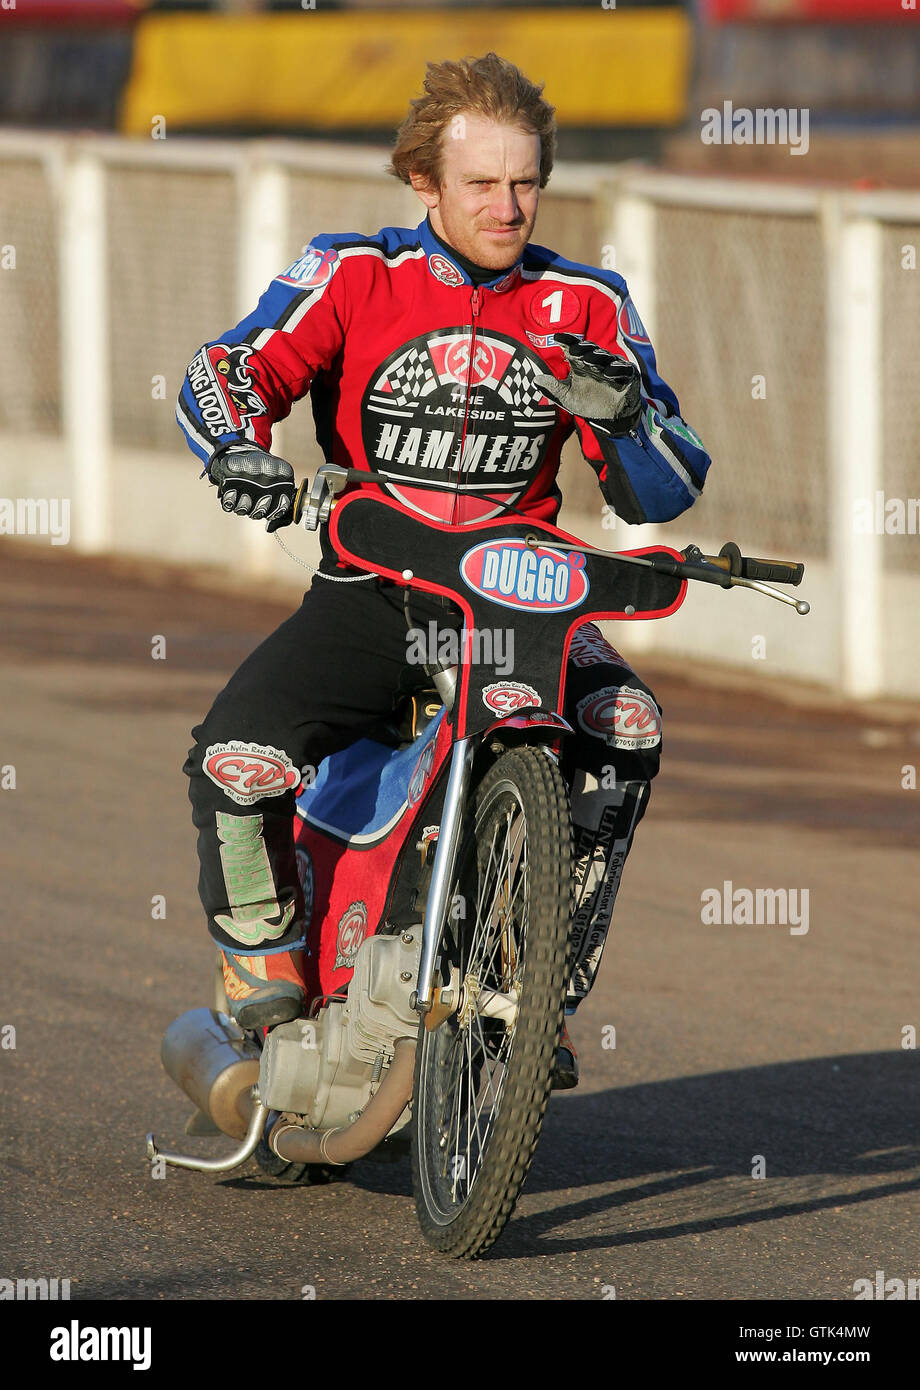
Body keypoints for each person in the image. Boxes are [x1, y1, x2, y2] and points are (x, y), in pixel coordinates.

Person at [176, 52, 711, 1089]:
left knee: (627, 726)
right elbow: (231, 367)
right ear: (424, 182)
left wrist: (627, 419)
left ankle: (542, 972)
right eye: (481, 184)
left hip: (526, 603)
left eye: (525, 184)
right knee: (234, 759)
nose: (507, 208)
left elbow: (664, 488)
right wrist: (238, 447)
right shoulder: (348, 273)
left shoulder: (587, 302)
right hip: (374, 593)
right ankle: (261, 973)